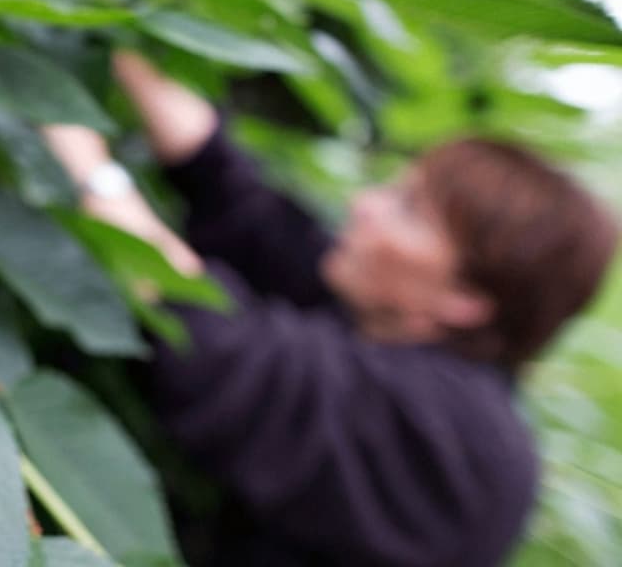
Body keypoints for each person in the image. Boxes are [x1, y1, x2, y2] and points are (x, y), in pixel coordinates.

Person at [43, 50, 619, 567]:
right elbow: (245, 209)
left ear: (466, 302)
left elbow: (217, 347)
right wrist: (126, 54)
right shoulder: (389, 323)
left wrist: (87, 161)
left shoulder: (461, 443)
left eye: (407, 211)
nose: (364, 203)